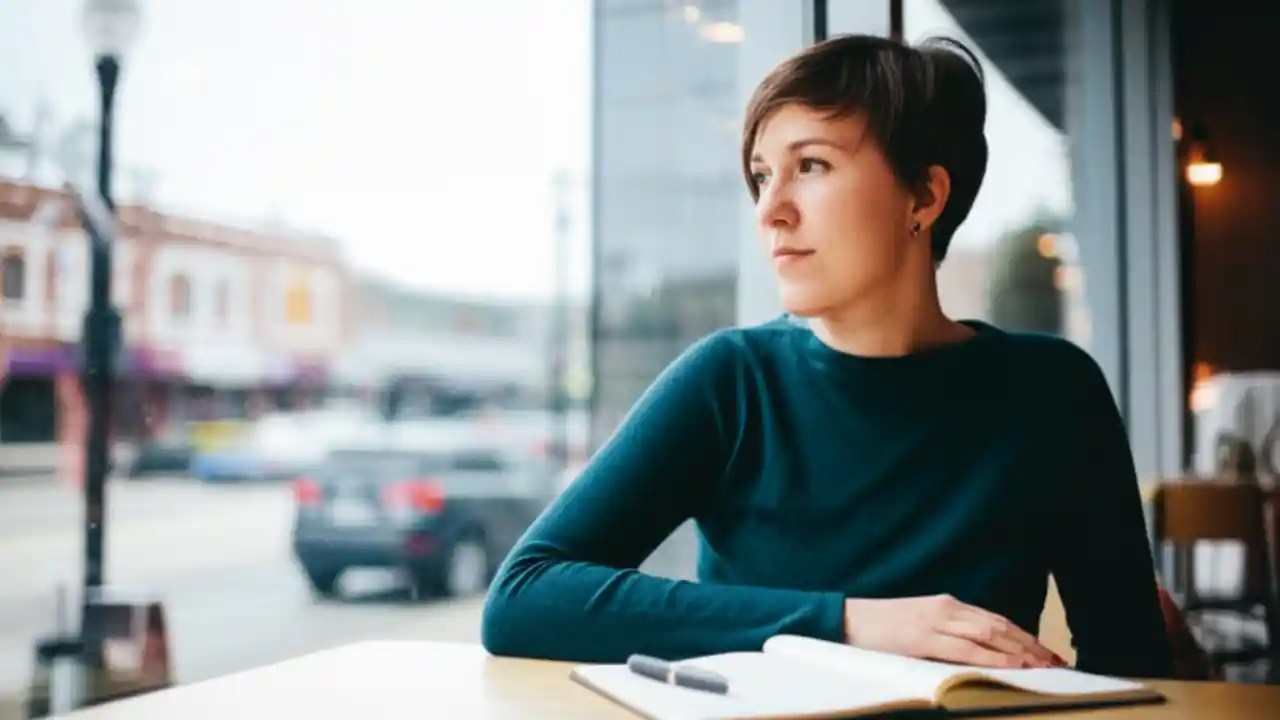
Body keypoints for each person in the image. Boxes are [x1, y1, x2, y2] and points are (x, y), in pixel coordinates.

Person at [481, 33, 1173, 678]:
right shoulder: (730, 380)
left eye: (810, 165)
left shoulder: (1051, 392)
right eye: (762, 175)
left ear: (924, 197)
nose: (770, 209)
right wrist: (846, 622)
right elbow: (524, 596)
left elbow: (1132, 661)